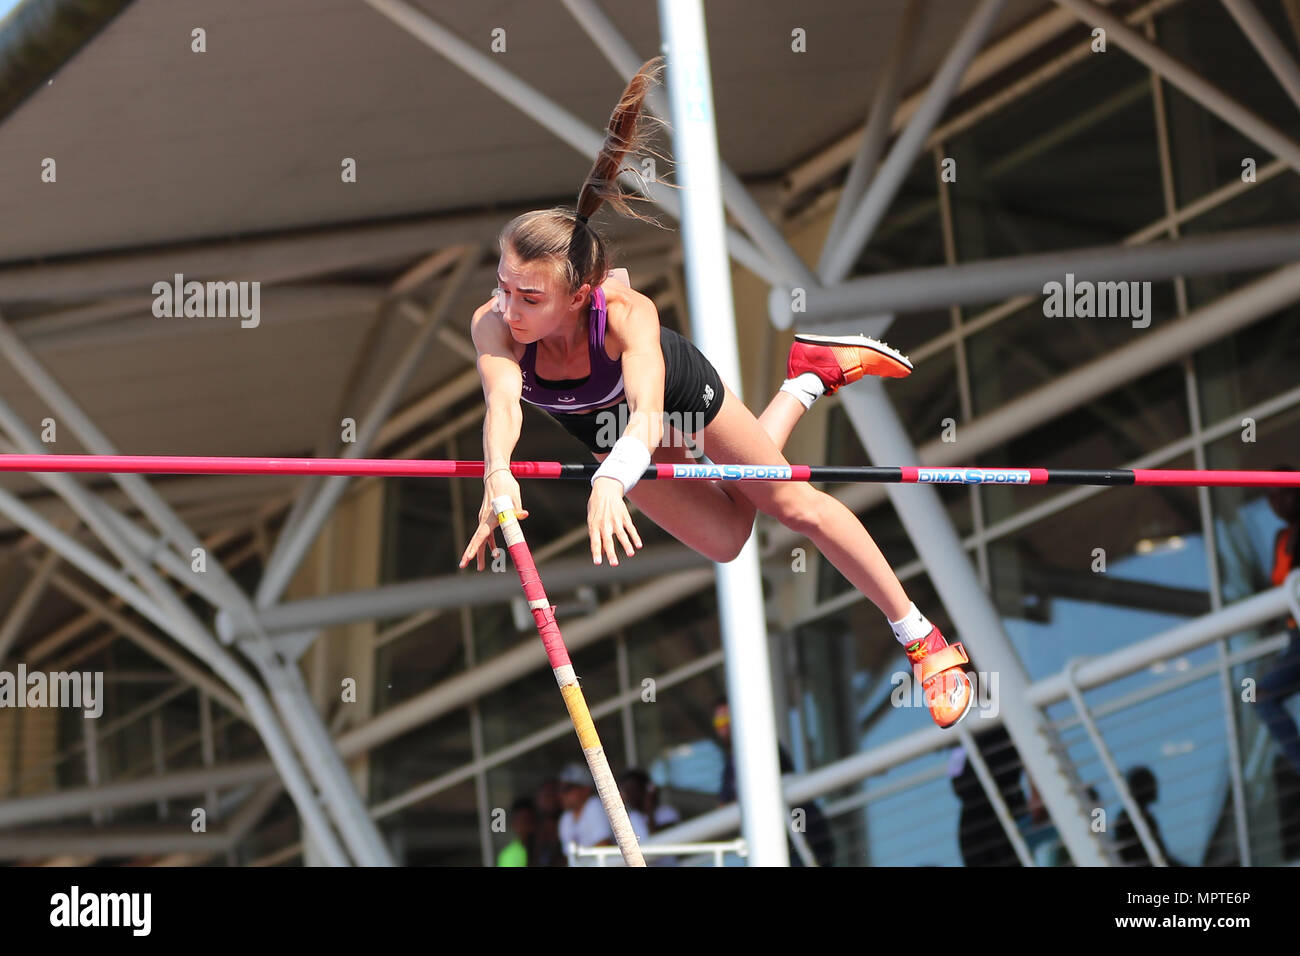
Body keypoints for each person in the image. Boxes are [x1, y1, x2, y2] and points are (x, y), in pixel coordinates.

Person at [457, 54, 973, 730]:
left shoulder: (625, 317)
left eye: (529, 296)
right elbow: (501, 402)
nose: (510, 306)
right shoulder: (495, 327)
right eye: (503, 286)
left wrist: (613, 480)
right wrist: (498, 476)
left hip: (668, 398)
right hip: (610, 439)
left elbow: (646, 414)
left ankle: (924, 640)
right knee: (729, 535)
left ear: (579, 296)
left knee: (791, 503)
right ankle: (809, 376)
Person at [713, 699, 835, 866]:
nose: (724, 725)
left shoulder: (762, 745)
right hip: (780, 838)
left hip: (798, 832)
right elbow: (724, 806)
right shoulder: (732, 764)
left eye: (727, 718)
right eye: (719, 721)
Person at [947, 724, 1028, 866]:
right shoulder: (960, 740)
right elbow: (955, 783)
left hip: (1003, 809)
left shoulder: (1002, 717)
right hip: (973, 822)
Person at [1112, 766, 1181, 866]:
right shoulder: (1132, 818)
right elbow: (1155, 855)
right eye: (1150, 783)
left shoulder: (1139, 816)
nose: (1155, 787)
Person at [556, 762, 612, 865]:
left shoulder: (594, 805)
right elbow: (568, 857)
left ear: (585, 788)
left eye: (567, 789)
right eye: (560, 790)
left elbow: (604, 845)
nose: (562, 794)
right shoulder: (565, 818)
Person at [496, 796, 536, 867]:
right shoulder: (509, 855)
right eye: (521, 822)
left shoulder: (544, 848)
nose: (525, 827)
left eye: (529, 821)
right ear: (514, 824)